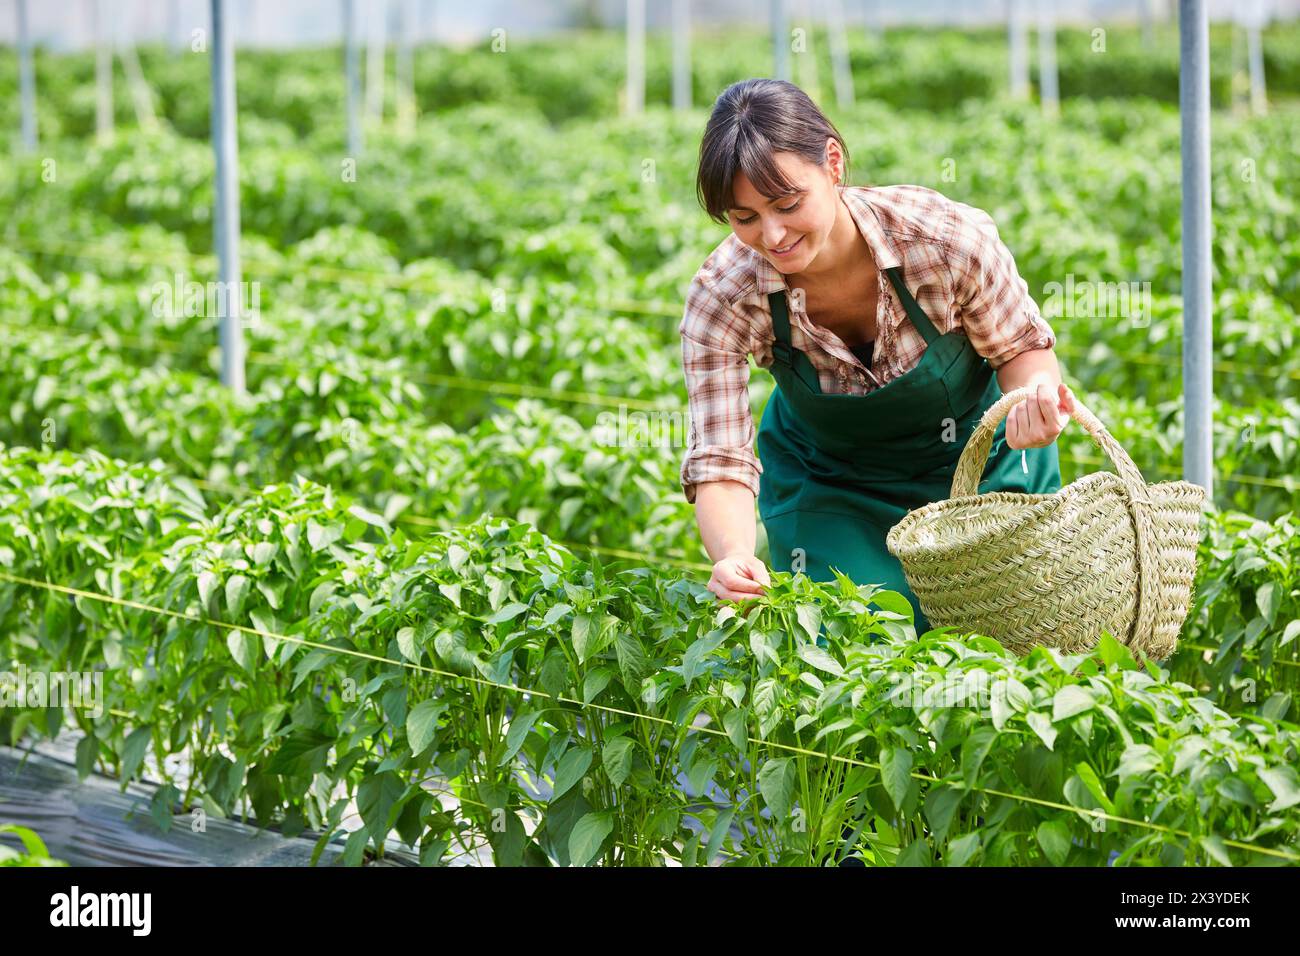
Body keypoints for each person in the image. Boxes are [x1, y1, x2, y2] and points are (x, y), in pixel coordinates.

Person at [679, 78, 1076, 634]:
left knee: (1010, 642)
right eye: (744, 218)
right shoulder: (724, 295)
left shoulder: (942, 242)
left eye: (787, 203)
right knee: (854, 641)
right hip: (835, 482)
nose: (772, 235)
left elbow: (1022, 351)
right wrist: (733, 555)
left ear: (833, 164)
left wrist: (1034, 407)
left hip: (978, 466)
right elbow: (719, 457)